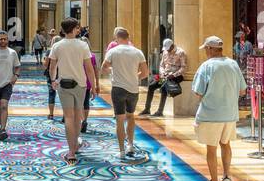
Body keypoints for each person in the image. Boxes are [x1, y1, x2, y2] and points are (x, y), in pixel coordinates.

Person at [192, 36, 247, 181]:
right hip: (230, 114)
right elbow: (242, 90)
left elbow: (198, 91)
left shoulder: (206, 66)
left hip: (210, 114)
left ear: (210, 49)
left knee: (211, 149)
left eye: (206, 49)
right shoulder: (233, 64)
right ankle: (227, 177)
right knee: (226, 144)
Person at [49, 18, 96, 164]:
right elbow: (89, 68)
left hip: (64, 84)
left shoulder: (57, 46)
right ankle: (75, 145)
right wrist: (93, 86)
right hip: (80, 85)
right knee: (77, 117)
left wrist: (53, 80)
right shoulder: (83, 45)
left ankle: (71, 151)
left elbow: (52, 67)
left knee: (68, 117)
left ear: (62, 30)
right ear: (75, 28)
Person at [100, 26, 148, 161]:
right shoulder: (138, 52)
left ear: (117, 38)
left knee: (120, 120)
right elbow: (145, 73)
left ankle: (121, 151)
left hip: (118, 88)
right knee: (131, 117)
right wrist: (133, 77)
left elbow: (104, 68)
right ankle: (131, 145)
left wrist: (114, 71)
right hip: (133, 89)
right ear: (128, 37)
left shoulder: (113, 52)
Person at [141, 37, 188, 117]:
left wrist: (174, 74)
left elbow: (184, 67)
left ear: (172, 46)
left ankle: (160, 111)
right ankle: (147, 109)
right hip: (165, 75)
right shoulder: (165, 52)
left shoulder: (181, 52)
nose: (168, 50)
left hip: (176, 76)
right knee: (152, 85)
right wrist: (162, 73)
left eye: (169, 48)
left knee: (164, 88)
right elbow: (161, 65)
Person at [81, 45, 98, 134]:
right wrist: (96, 84)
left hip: (79, 80)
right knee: (86, 102)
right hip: (88, 81)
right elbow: (95, 71)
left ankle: (82, 120)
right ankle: (85, 120)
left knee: (79, 103)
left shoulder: (78, 54)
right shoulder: (92, 56)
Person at [41, 37, 57, 121]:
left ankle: (51, 114)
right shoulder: (63, 50)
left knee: (52, 93)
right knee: (64, 94)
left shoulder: (49, 51)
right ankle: (66, 115)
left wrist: (44, 61)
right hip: (62, 73)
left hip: (51, 74)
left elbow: (46, 64)